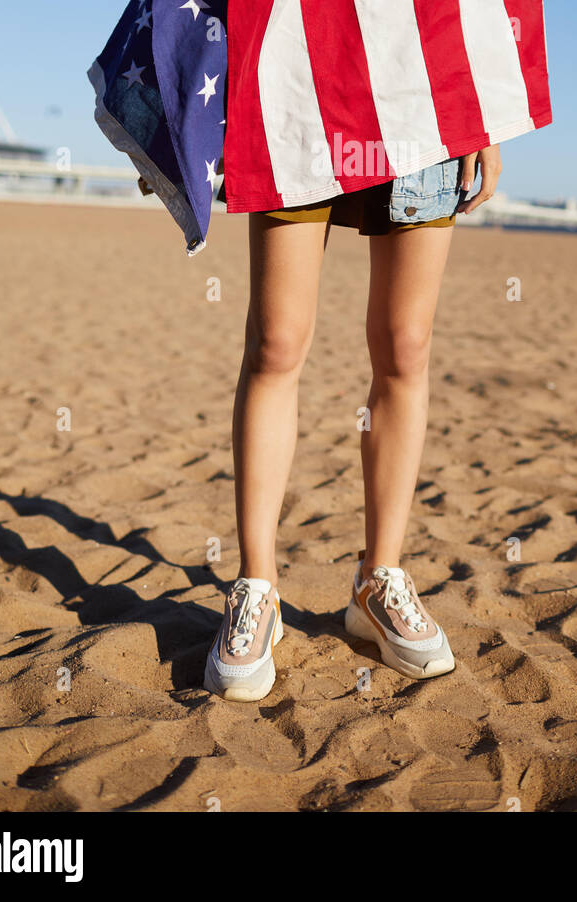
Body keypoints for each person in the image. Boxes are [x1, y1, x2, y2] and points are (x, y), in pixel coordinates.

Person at [203, 145, 501, 701]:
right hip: (297, 92)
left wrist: (482, 114)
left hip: (418, 107)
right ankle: (257, 588)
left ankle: (376, 581)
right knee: (275, 344)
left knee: (405, 347)